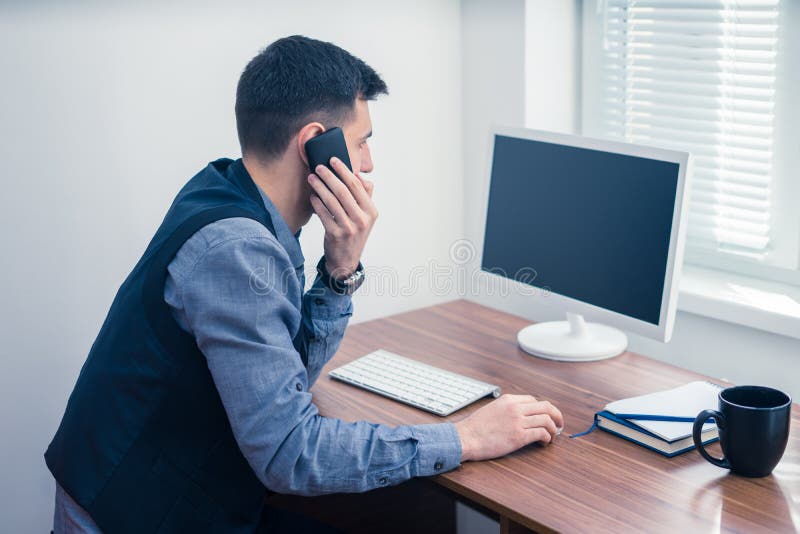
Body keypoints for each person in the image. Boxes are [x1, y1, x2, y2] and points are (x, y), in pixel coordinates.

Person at [45, 35, 564, 533]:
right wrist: (465, 437)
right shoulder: (236, 249)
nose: (368, 164)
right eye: (362, 143)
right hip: (138, 513)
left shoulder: (227, 190)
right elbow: (288, 454)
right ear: (316, 145)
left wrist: (339, 273)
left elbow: (290, 379)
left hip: (176, 492)